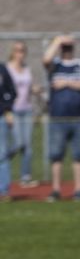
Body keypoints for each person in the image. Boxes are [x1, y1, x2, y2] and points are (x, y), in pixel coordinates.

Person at [43, 35, 80, 201]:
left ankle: (79, 189)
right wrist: (58, 40)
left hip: (79, 117)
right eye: (64, 47)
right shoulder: (56, 65)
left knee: (79, 155)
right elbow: (46, 59)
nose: (66, 50)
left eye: (68, 46)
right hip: (58, 118)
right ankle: (56, 190)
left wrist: (66, 83)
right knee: (56, 154)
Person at [7, 41, 38, 188]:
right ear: (12, 52)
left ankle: (26, 177)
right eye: (17, 51)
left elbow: (29, 88)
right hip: (13, 110)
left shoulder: (27, 69)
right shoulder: (7, 69)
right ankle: (3, 160)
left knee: (27, 146)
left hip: (27, 110)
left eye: (22, 51)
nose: (20, 54)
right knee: (18, 143)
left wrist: (35, 89)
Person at [0, 57, 14, 201]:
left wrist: (7, 109)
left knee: (2, 154)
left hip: (1, 117)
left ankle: (4, 190)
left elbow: (11, 91)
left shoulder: (2, 69)